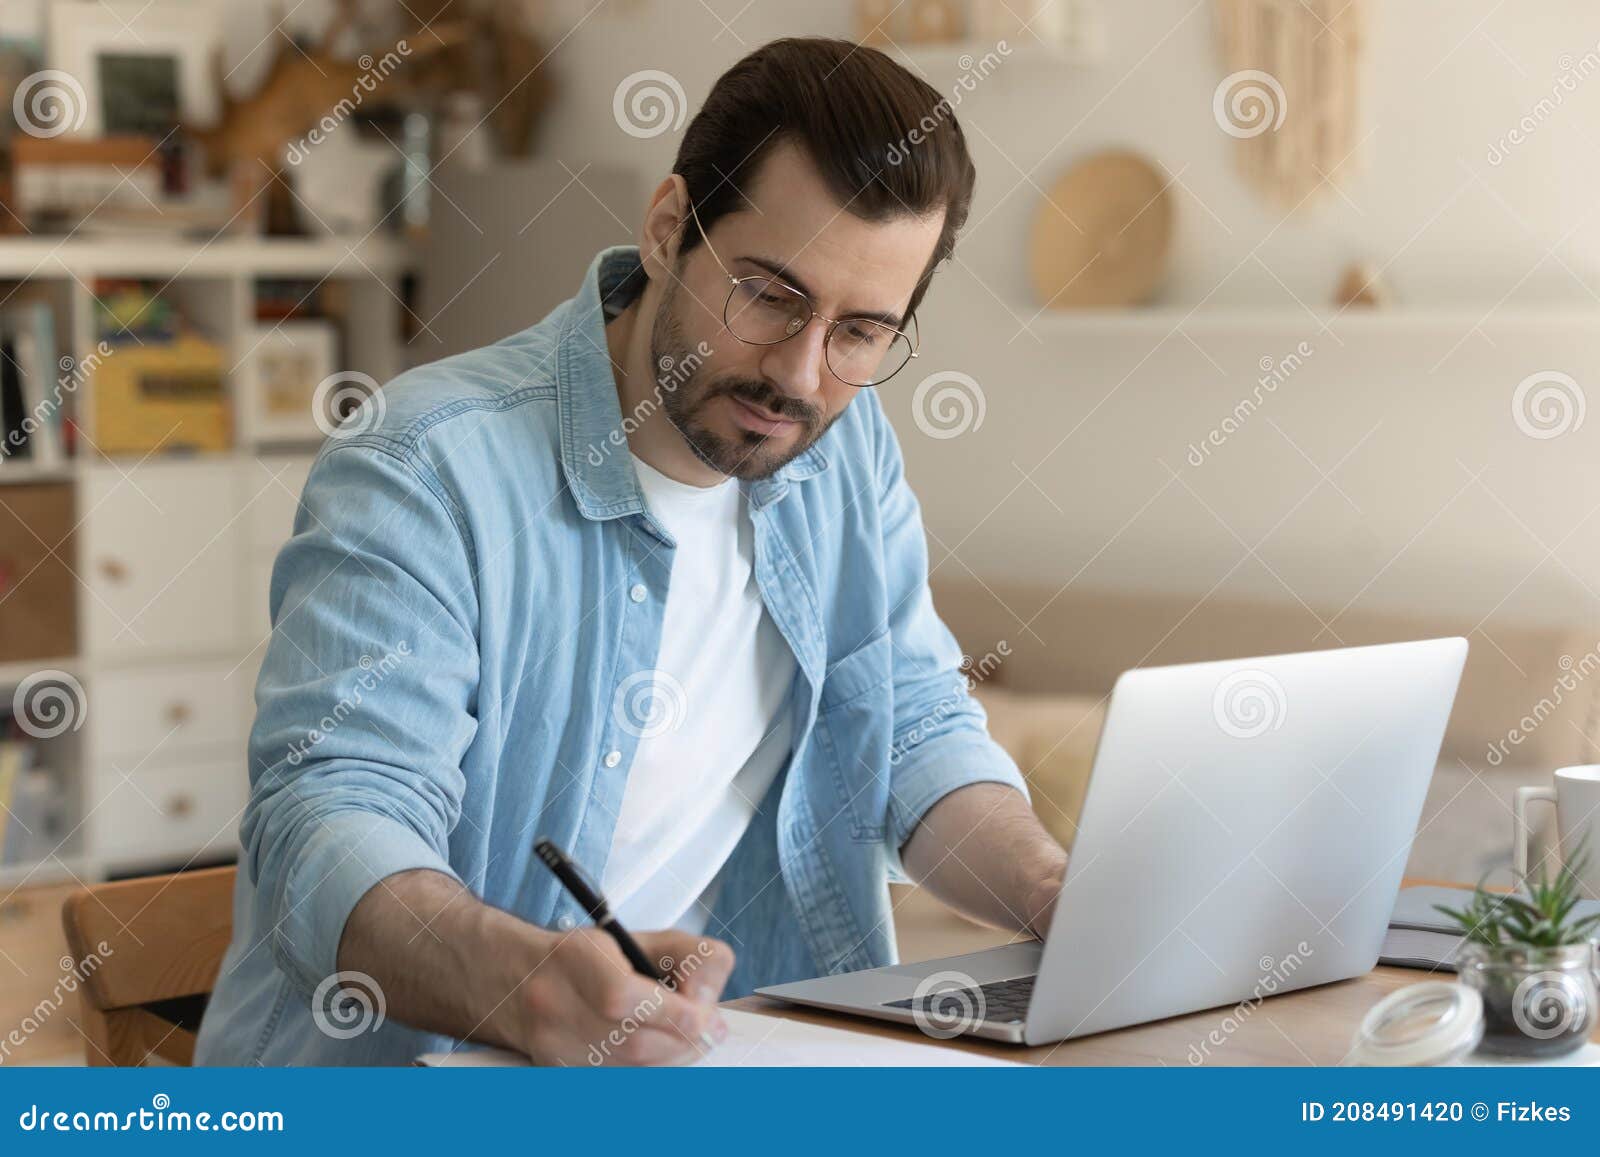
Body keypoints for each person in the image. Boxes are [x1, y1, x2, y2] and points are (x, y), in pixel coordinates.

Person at [196, 35, 1067, 1066]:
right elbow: (331, 814)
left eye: (860, 331)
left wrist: (1053, 893)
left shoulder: (845, 446)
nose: (797, 372)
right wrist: (520, 985)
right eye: (769, 295)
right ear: (667, 229)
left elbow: (910, 723)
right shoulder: (426, 462)